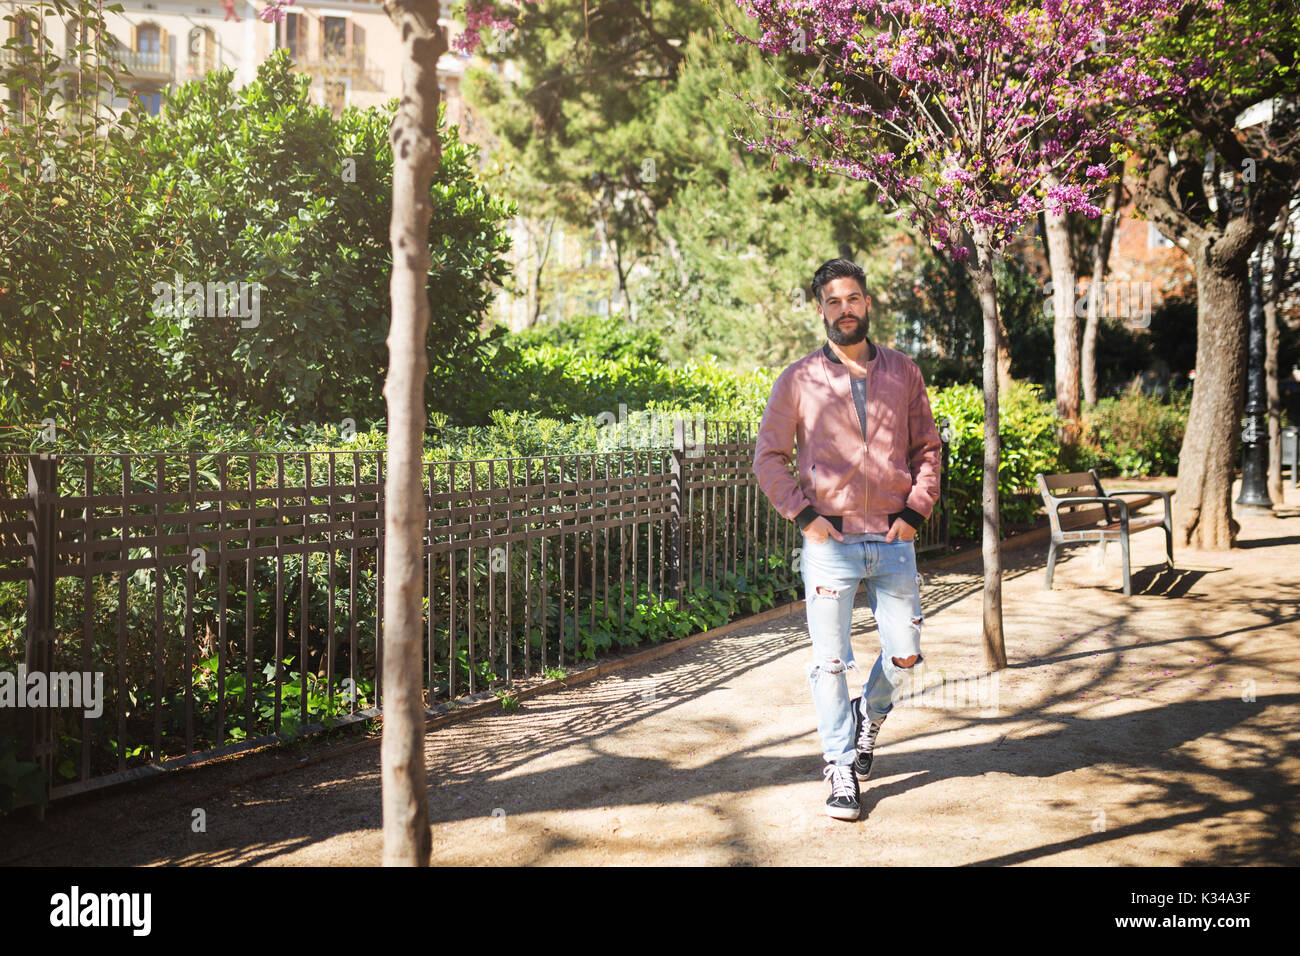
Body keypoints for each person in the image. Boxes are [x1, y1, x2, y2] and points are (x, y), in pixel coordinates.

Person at [752, 258, 943, 821]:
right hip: (829, 545)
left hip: (893, 538)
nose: (844, 309)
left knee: (906, 654)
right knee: (830, 662)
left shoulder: (903, 372)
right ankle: (839, 765)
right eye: (833, 301)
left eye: (853, 298)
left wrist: (916, 510)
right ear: (821, 310)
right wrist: (806, 517)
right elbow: (769, 457)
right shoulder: (799, 379)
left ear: (867, 303)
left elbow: (927, 450)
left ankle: (870, 716)